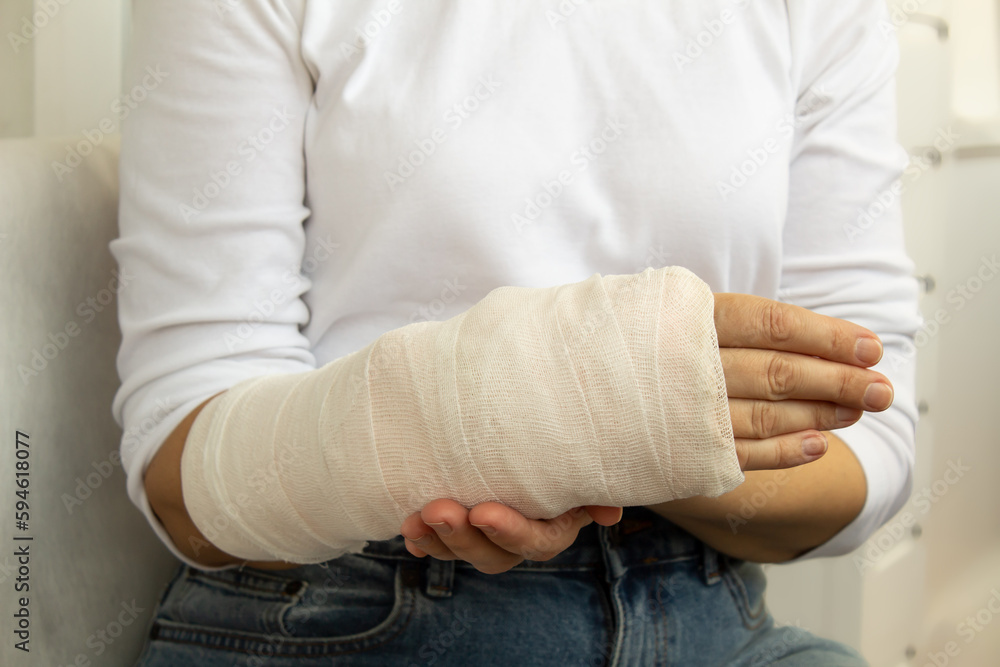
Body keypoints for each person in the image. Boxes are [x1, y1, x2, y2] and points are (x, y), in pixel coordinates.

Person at [112, 1, 920, 664]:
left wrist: (609, 422)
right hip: (344, 609)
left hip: (711, 610)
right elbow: (184, 478)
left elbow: (867, 443)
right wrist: (548, 419)